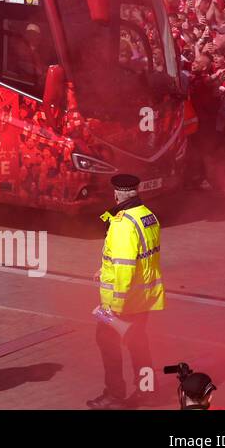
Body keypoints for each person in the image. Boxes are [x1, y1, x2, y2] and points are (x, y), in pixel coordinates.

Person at [88, 174, 165, 409]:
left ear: (117, 193)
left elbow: (124, 266)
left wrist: (114, 308)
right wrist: (104, 268)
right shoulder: (147, 215)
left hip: (124, 301)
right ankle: (148, 392)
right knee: (139, 344)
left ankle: (115, 396)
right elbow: (140, 255)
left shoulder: (122, 224)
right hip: (144, 296)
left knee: (108, 345)